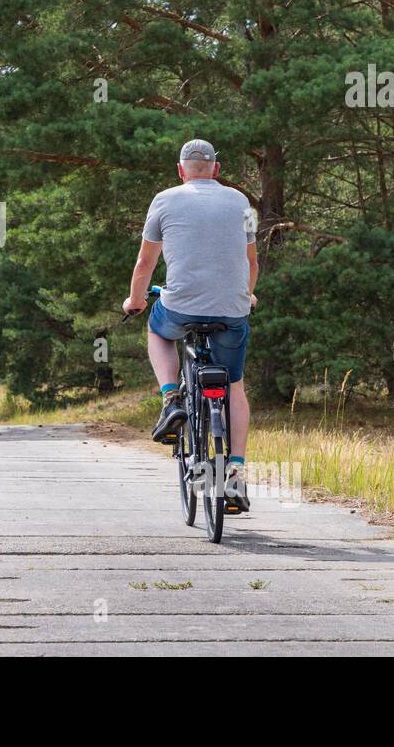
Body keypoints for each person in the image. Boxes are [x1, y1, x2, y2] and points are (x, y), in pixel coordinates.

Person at [122, 139, 258, 511]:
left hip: (180, 306)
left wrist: (135, 301)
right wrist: (247, 295)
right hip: (232, 309)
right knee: (234, 384)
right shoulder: (241, 202)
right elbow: (251, 262)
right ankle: (236, 473)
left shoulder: (164, 199)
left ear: (180, 170)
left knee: (156, 329)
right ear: (217, 168)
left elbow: (144, 264)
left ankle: (171, 398)